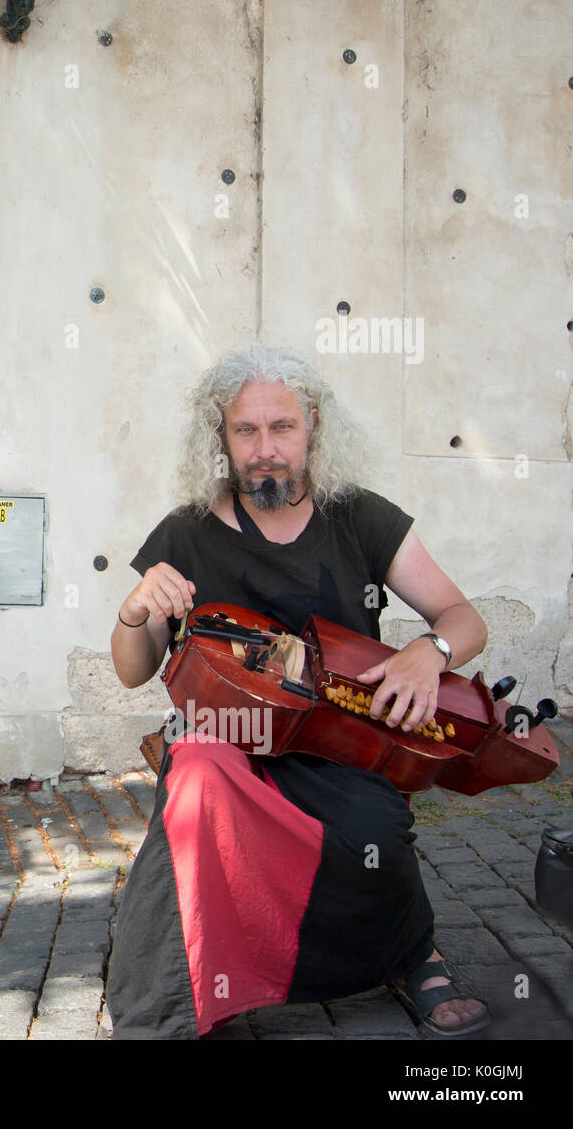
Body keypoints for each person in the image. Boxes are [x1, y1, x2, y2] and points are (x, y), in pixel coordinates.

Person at [104, 342, 491, 1039]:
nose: (265, 450)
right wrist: (134, 612)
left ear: (313, 424)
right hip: (229, 746)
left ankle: (412, 949)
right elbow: (135, 668)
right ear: (218, 436)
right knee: (194, 778)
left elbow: (464, 619)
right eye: (245, 430)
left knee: (375, 830)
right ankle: (174, 1002)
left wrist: (426, 654)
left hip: (340, 741)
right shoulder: (185, 533)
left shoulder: (362, 518)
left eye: (282, 427)